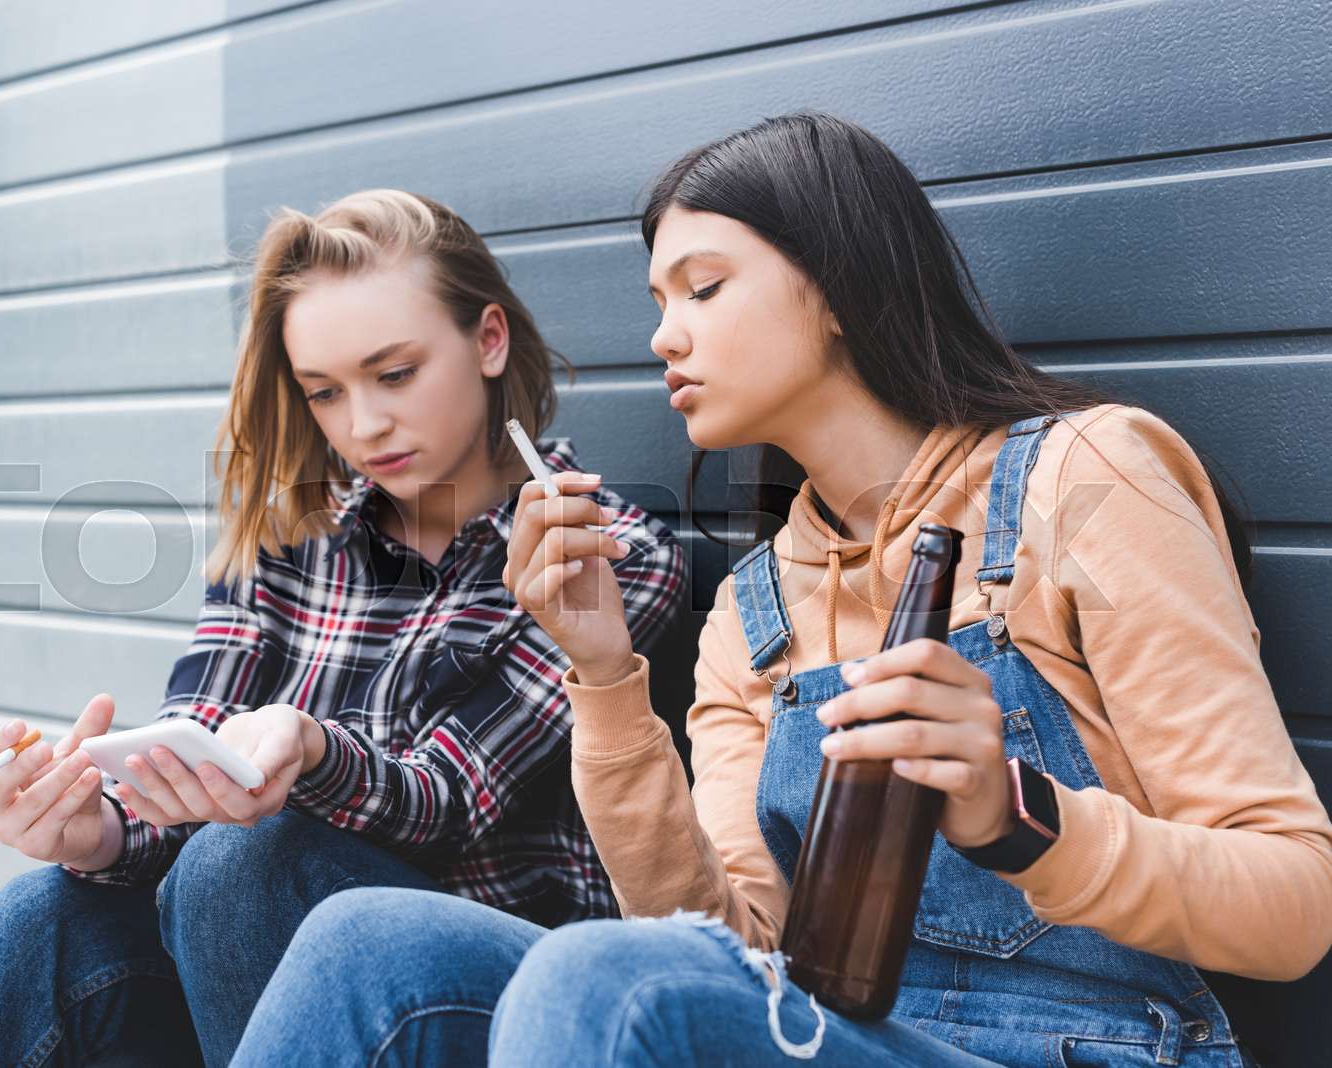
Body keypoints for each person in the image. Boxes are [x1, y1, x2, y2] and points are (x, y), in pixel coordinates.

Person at [229, 114, 1332, 1068]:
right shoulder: (752, 612)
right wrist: (603, 673)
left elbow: (1295, 903)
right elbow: (722, 942)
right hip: (826, 1036)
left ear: (841, 285)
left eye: (702, 287)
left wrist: (1016, 815)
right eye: (658, 298)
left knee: (601, 982)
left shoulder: (1086, 476)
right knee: (367, 944)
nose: (663, 334)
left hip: (1088, 1041)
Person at [0, 189, 685, 1068]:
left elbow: (446, 802)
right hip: (253, 981)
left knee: (246, 858)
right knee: (50, 910)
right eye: (325, 393)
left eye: (396, 373)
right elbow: (188, 778)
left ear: (488, 340)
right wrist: (96, 831)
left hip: (475, 995)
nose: (363, 425)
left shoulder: (605, 553)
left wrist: (308, 748)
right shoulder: (282, 539)